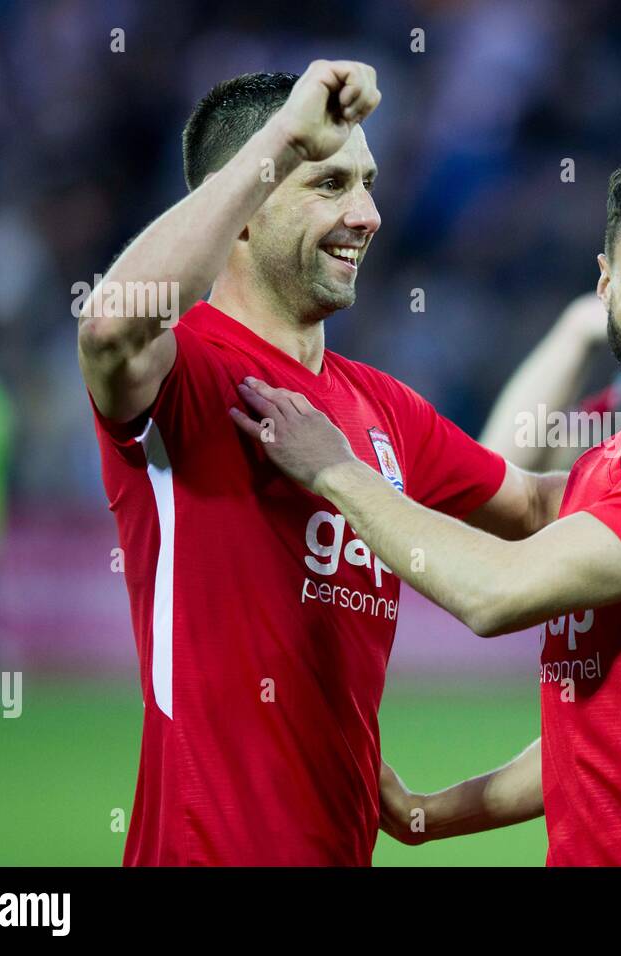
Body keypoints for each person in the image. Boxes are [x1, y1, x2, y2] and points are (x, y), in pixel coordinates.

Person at [232, 144, 621, 866]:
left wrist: (336, 471)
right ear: (605, 286)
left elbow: (493, 593)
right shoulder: (605, 468)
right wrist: (426, 816)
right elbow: (600, 733)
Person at [78, 61, 567, 865]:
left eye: (368, 184)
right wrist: (282, 140)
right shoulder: (190, 373)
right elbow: (108, 330)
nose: (368, 215)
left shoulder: (384, 408)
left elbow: (541, 508)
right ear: (240, 208)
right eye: (330, 183)